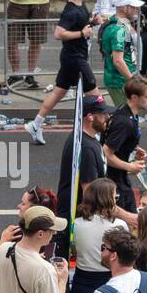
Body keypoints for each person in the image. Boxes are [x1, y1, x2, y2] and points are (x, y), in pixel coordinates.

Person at [24, 0, 97, 145]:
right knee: (94, 93)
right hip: (75, 58)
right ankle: (100, 131)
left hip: (72, 57)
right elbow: (58, 34)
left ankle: (36, 124)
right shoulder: (70, 11)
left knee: (59, 91)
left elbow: (82, 26)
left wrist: (92, 23)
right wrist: (82, 33)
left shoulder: (81, 6)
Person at [57, 97, 111, 228]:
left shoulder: (88, 138)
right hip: (79, 221)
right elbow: (90, 193)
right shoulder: (86, 148)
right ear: (90, 117)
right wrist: (124, 215)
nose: (107, 117)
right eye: (103, 114)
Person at [103, 76, 147, 214]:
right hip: (114, 180)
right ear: (134, 97)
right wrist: (130, 166)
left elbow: (117, 139)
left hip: (119, 177)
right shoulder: (125, 123)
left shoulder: (127, 112)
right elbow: (106, 153)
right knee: (128, 219)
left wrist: (133, 148)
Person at [99, 0, 142, 108]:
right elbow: (118, 61)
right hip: (119, 81)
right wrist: (132, 80)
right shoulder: (119, 30)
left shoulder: (115, 24)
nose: (137, 9)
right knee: (125, 116)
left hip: (121, 79)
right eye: (133, 7)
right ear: (124, 8)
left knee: (130, 114)